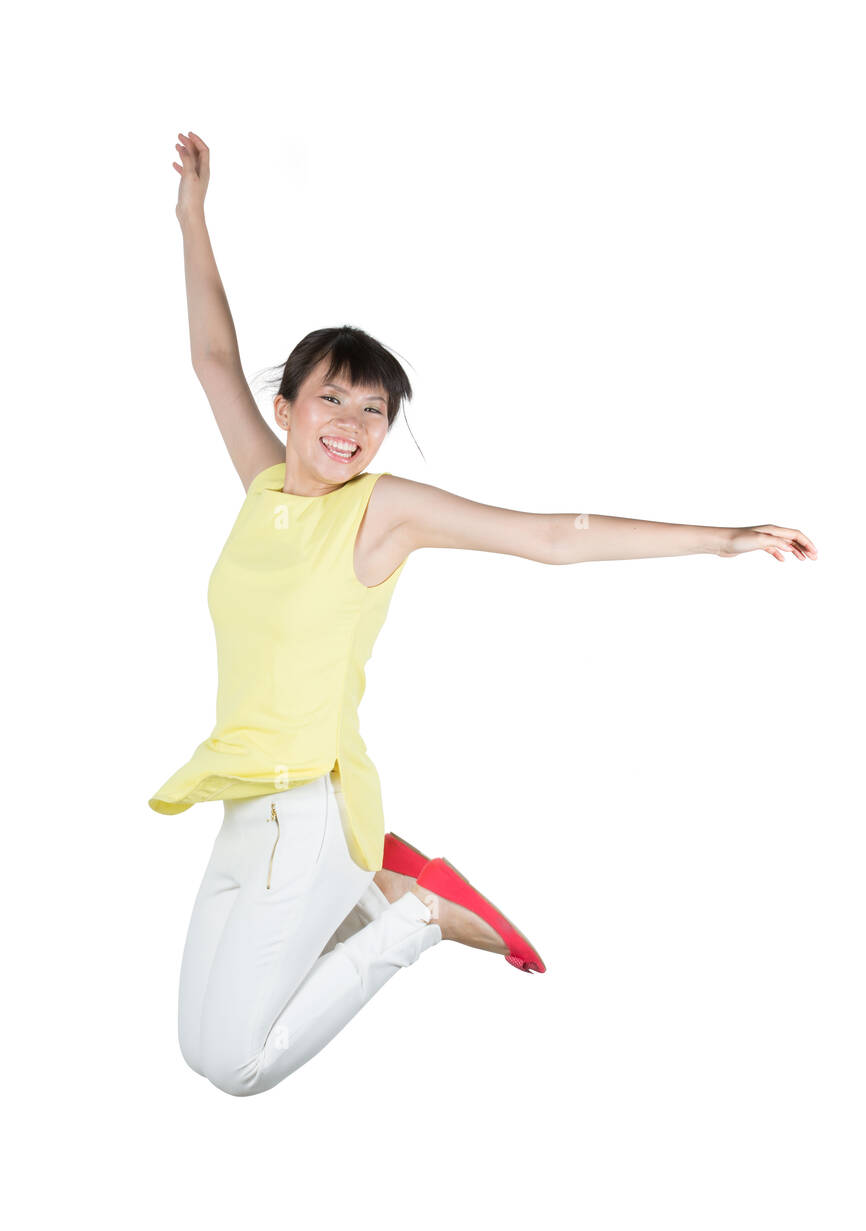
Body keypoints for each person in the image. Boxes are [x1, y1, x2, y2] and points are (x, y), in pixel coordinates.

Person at [152, 131, 817, 1098]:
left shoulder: (377, 514)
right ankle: (364, 889)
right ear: (288, 403)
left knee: (233, 1065)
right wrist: (191, 215)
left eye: (374, 410)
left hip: (309, 801)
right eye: (331, 397)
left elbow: (550, 536)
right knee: (190, 1046)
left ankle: (418, 913)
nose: (351, 422)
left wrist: (724, 538)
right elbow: (215, 357)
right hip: (246, 802)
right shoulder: (265, 489)